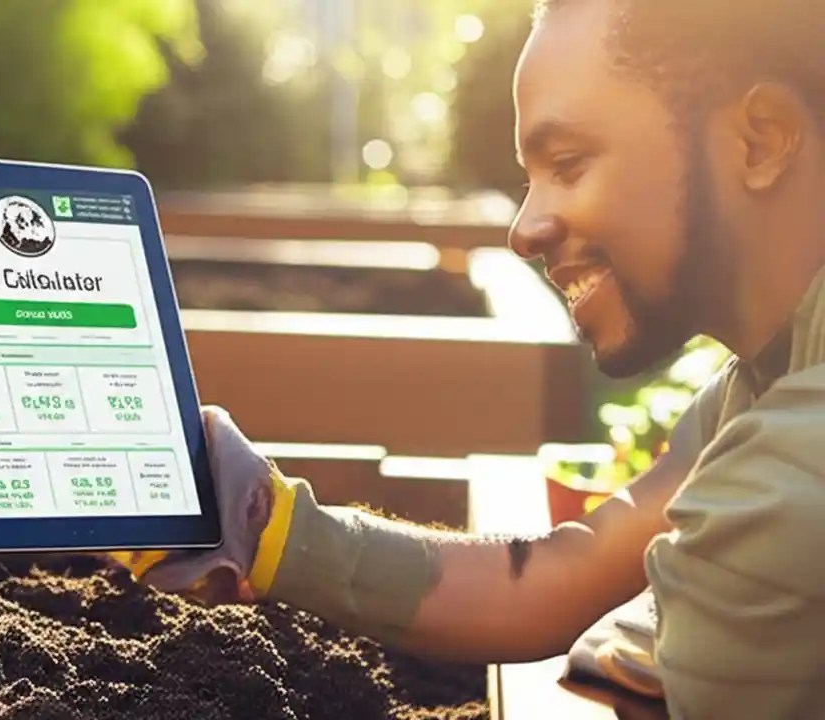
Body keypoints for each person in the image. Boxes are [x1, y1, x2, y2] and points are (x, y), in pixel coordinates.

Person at [115, 0, 825, 717]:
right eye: (530, 179)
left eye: (568, 164)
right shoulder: (763, 382)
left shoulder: (794, 470)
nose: (524, 229)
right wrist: (261, 523)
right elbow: (561, 574)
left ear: (760, 140)